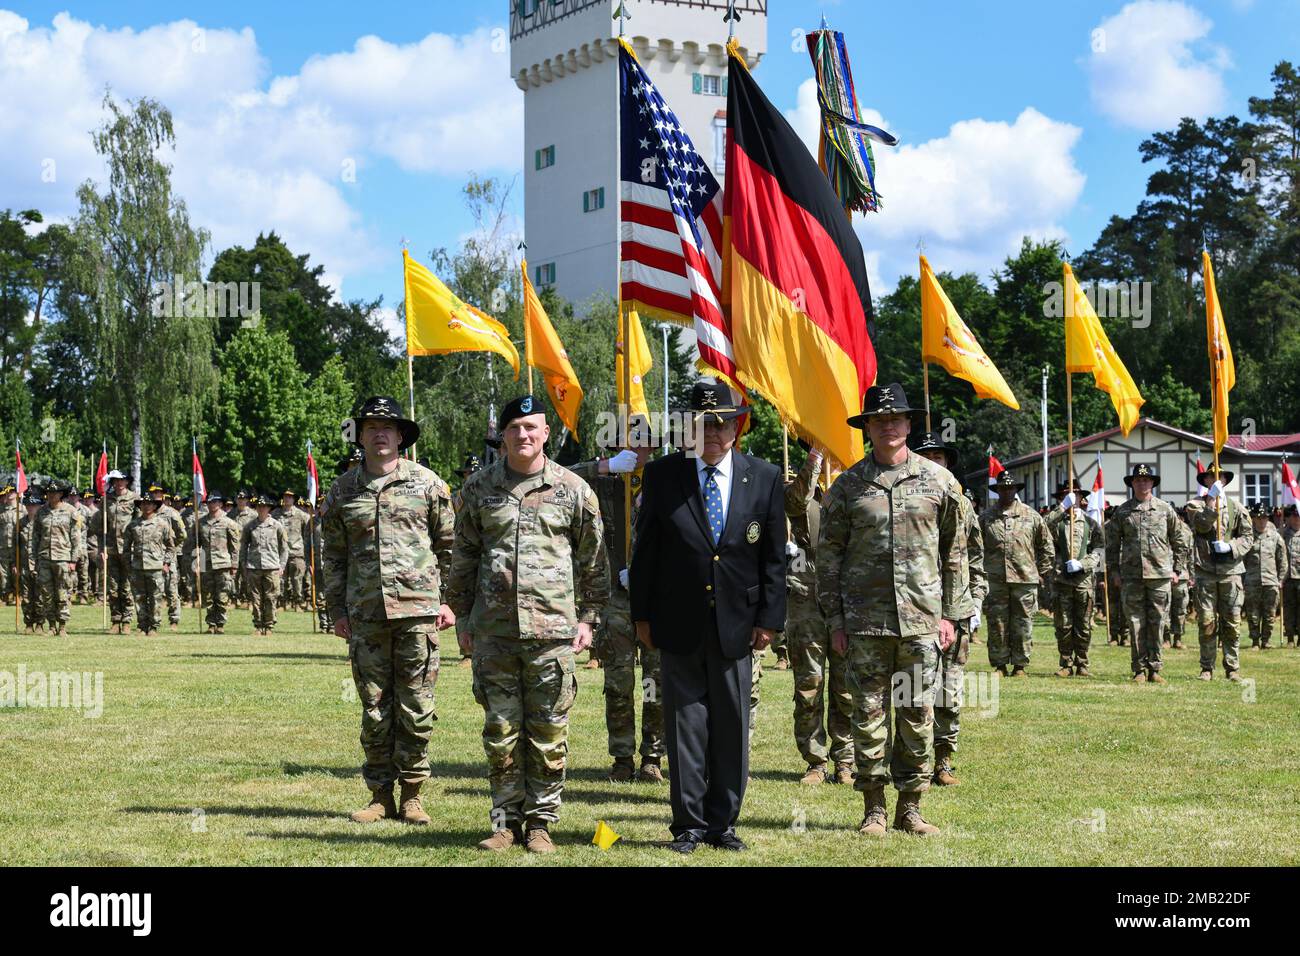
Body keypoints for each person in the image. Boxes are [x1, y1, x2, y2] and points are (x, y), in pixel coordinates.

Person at [447, 394, 608, 853]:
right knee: (500, 734)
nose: (523, 435)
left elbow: (594, 560)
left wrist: (589, 619)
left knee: (548, 734)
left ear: (546, 434)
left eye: (532, 427)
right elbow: (463, 558)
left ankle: (540, 824)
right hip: (494, 633)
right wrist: (462, 618)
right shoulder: (478, 489)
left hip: (552, 634)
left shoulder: (573, 490)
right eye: (515, 428)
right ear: (503, 435)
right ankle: (504, 823)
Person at [631, 380, 786, 853]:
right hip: (678, 621)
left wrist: (769, 619)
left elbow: (773, 558)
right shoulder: (662, 476)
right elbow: (646, 552)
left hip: (738, 623)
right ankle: (690, 825)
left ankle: (722, 823)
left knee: (731, 725)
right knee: (686, 724)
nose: (712, 434)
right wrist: (642, 616)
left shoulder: (764, 476)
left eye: (721, 424)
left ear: (737, 428)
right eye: (702, 425)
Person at [818, 384, 962, 836]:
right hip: (865, 625)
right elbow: (828, 558)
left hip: (922, 622)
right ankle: (874, 809)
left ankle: (911, 808)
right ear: (867, 427)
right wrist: (836, 620)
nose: (888, 427)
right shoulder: (849, 486)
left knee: (917, 716)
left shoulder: (939, 482)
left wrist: (950, 614)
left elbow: (955, 551)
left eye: (895, 418)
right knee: (869, 717)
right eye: (879, 420)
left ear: (909, 424)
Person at [323, 396, 455, 828]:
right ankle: (380, 795)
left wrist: (449, 600)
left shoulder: (427, 484)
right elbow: (334, 556)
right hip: (365, 613)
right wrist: (337, 610)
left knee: (416, 705)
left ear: (400, 436)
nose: (379, 433)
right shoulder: (343, 490)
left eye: (388, 427)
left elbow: (450, 547)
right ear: (360, 436)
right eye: (371, 427)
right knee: (375, 708)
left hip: (417, 612)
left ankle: (413, 795)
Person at [569, 423, 665, 783]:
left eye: (644, 447)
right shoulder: (603, 484)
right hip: (614, 600)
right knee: (618, 684)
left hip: (655, 599)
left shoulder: (665, 484)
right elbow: (559, 477)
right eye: (631, 446)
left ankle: (652, 757)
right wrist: (605, 467)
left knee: (656, 683)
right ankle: (622, 757)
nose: (638, 453)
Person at [909, 429, 982, 787]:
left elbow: (976, 558)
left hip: (956, 608)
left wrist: (976, 601)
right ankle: (914, 760)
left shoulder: (963, 504)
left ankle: (944, 760)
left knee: (948, 691)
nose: (932, 463)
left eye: (938, 457)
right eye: (926, 457)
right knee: (912, 689)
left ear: (948, 463)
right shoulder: (907, 501)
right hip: (916, 608)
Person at [785, 442, 853, 787]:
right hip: (806, 595)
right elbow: (794, 502)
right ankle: (815, 761)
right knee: (809, 684)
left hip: (845, 594)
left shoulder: (855, 485)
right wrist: (815, 459)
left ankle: (846, 759)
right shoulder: (800, 485)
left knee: (846, 686)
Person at [1106, 464, 1187, 682]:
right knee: (1135, 623)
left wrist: (1177, 569)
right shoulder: (1122, 512)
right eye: (1138, 480)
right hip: (1131, 576)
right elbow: (1111, 545)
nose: (1142, 483)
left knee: (1158, 622)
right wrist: (1114, 572)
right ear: (1132, 483)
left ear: (1152, 483)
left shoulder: (1165, 509)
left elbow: (1179, 541)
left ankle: (1155, 668)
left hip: (1159, 576)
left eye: (1146, 480)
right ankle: (1139, 669)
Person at [979, 472, 1054, 677]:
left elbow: (1046, 546)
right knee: (997, 623)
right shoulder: (986, 518)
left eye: (1010, 488)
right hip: (995, 580)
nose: (1006, 492)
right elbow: (974, 547)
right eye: (1002, 488)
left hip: (1024, 579)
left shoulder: (1031, 516)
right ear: (997, 491)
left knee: (1023, 623)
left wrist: (1042, 571)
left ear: (1015, 490)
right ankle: (1000, 664)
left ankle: (1020, 665)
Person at [1185, 466, 1254, 681]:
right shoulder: (1195, 505)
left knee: (1232, 622)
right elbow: (1202, 526)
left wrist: (1231, 547)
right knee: (1207, 622)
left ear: (1225, 480)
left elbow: (1248, 537)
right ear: (1205, 480)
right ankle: (1207, 668)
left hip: (1230, 572)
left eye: (1220, 476)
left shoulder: (1236, 507)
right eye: (1211, 476)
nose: (1216, 479)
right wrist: (1210, 501)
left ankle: (1232, 668)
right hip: (1205, 571)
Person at [1044, 479, 1104, 677]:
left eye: (1075, 494)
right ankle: (1066, 663)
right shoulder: (1057, 522)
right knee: (1064, 625)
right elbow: (1041, 527)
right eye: (1066, 495)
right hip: (1062, 580)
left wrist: (1083, 563)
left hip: (1083, 581)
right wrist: (1062, 507)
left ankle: (1082, 663)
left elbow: (1100, 551)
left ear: (1081, 497)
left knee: (1084, 625)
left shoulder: (1090, 523)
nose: (1072, 497)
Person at [32, 478, 85, 635]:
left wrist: (73, 560)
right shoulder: (41, 512)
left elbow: (76, 538)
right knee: (47, 594)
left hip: (63, 558)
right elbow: (35, 537)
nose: (51, 495)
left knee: (62, 593)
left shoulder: (70, 511)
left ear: (61, 494)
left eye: (54, 492)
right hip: (44, 558)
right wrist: (34, 559)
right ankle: (51, 626)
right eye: (49, 492)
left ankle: (62, 626)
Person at [123, 495, 175, 636]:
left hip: (156, 567)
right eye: (143, 503)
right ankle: (142, 626)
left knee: (155, 598)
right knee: (139, 598)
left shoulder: (162, 524)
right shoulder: (133, 525)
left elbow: (171, 546)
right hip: (137, 567)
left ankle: (153, 627)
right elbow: (126, 548)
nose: (146, 506)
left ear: (154, 506)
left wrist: (166, 563)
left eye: (149, 503)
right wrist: (128, 565)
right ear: (140, 506)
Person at [240, 492, 288, 635]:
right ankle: (258, 625)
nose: (261, 509)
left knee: (271, 597)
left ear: (269, 508)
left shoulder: (277, 526)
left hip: (272, 567)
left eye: (264, 506)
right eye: (259, 506)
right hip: (254, 567)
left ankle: (269, 625)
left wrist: (282, 566)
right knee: (255, 598)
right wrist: (244, 564)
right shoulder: (249, 526)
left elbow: (284, 548)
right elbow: (243, 547)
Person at [1242, 501, 1284, 650]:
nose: (1261, 521)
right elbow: (1242, 560)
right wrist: (1242, 580)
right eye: (1258, 518)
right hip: (1252, 581)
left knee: (1270, 613)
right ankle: (1255, 641)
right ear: (1253, 519)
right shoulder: (1247, 537)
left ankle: (1266, 640)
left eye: (1264, 518)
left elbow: (1282, 560)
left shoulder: (1275, 537)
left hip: (1270, 581)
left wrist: (1280, 579)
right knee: (1253, 613)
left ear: (1268, 519)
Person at [197, 492, 240, 634]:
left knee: (222, 595)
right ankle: (211, 624)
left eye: (215, 502)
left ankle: (220, 624)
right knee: (208, 596)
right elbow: (195, 545)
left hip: (223, 564)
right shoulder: (201, 523)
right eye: (209, 502)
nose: (212, 505)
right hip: (207, 563)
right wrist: (197, 564)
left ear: (220, 504)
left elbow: (235, 546)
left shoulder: (229, 523)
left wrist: (234, 565)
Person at [147, 483, 186, 631]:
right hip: (151, 557)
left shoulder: (171, 513)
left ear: (163, 494)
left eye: (158, 492)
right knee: (153, 590)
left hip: (167, 557)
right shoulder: (147, 512)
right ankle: (152, 620)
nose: (155, 495)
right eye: (153, 493)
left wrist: (171, 548)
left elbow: (182, 534)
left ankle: (174, 620)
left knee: (171, 589)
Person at [103, 470, 137, 633]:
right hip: (111, 549)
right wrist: (102, 547)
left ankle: (127, 621)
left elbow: (139, 523)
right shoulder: (107, 500)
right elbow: (100, 526)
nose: (119, 483)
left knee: (127, 587)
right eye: (115, 481)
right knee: (113, 587)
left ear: (127, 482)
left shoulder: (134, 499)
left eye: (121, 480)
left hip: (128, 548)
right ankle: (116, 620)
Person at [274, 489, 310, 611]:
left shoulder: (301, 515)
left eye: (290, 497)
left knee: (297, 579)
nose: (287, 499)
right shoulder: (275, 514)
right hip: (279, 552)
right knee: (281, 580)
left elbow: (309, 529)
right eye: (285, 496)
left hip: (296, 552)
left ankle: (298, 603)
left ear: (294, 499)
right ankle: (282, 603)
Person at [1282, 506, 1300, 647]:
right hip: (1287, 577)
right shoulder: (1283, 534)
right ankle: (1289, 638)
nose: (1296, 519)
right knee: (1288, 608)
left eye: (1298, 516)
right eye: (1294, 516)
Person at [0, 484, 17, 605]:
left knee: (17, 572)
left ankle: (18, 595)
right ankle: (5, 596)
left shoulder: (22, 509)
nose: (9, 494)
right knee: (3, 574)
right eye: (8, 492)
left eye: (12, 491)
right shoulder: (1, 509)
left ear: (16, 493)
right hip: (3, 547)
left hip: (18, 547)